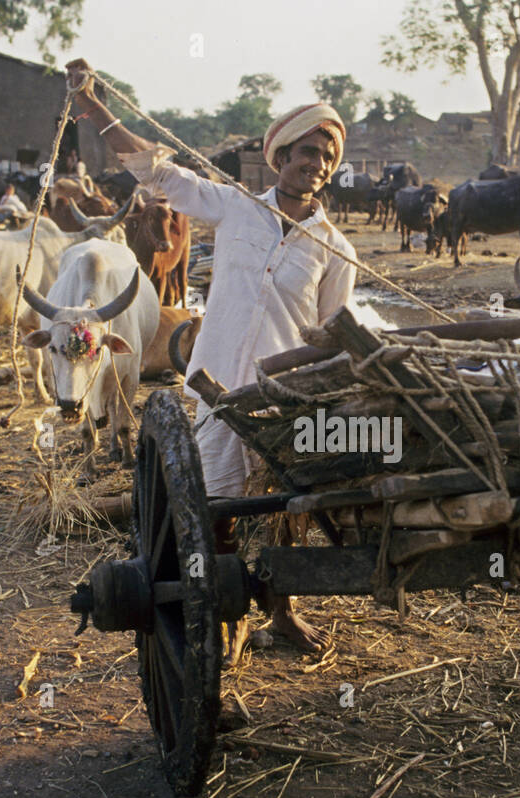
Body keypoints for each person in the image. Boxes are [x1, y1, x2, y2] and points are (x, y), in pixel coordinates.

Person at [65, 57, 355, 663]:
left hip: (283, 396)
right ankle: (225, 611)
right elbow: (156, 171)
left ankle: (282, 612)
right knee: (218, 506)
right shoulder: (236, 207)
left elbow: (332, 333)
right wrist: (92, 107)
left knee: (288, 510)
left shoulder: (337, 248)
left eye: (326, 158)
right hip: (219, 386)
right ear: (282, 157)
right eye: (307, 152)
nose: (316, 165)